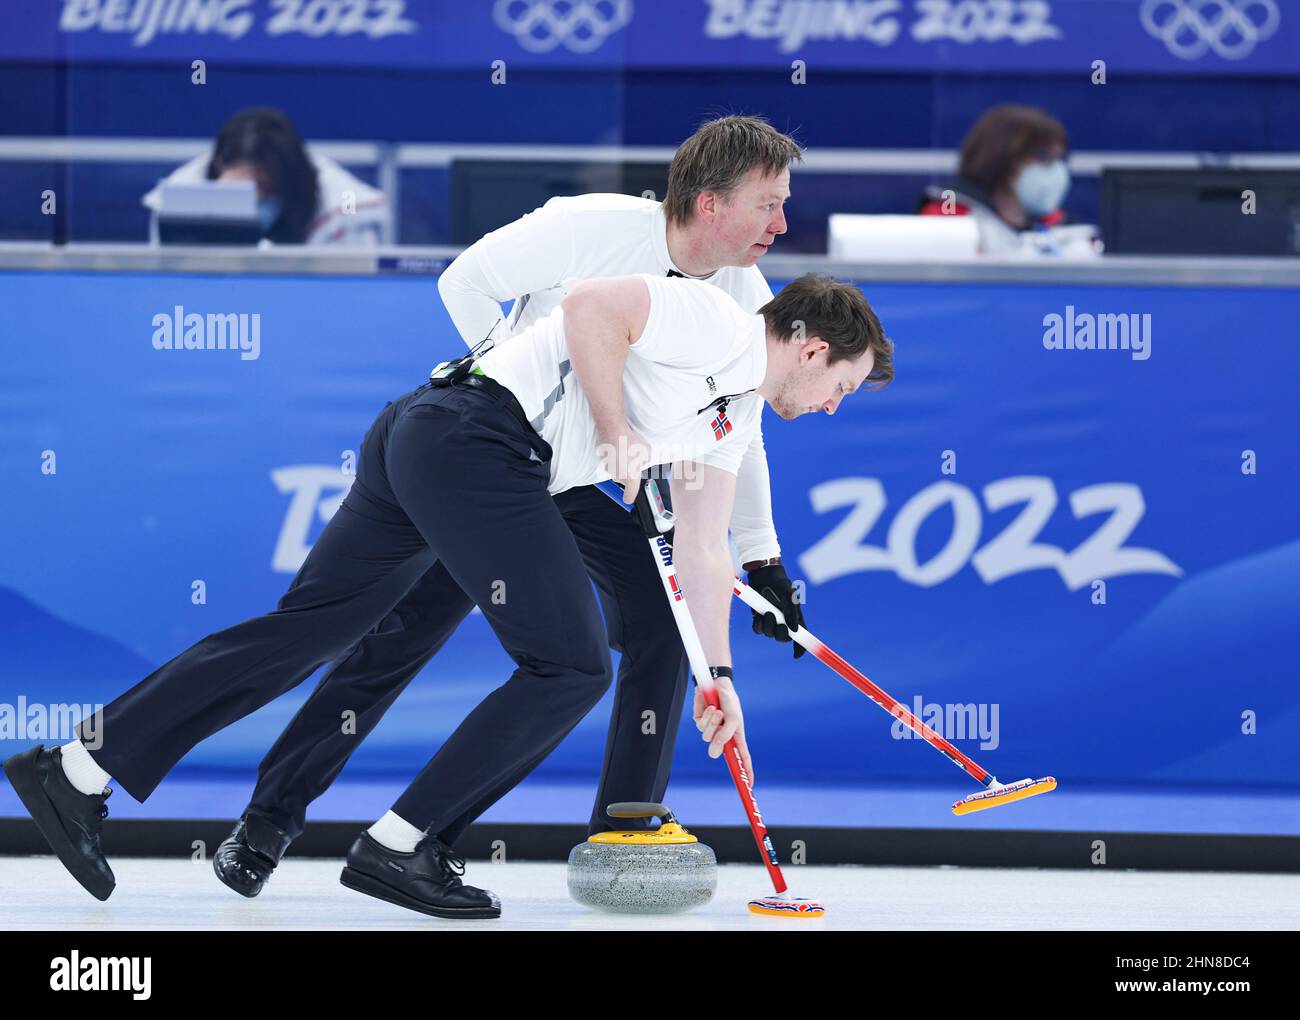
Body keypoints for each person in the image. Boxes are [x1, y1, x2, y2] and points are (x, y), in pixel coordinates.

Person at [4, 271, 893, 919]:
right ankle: (402, 846)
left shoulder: (730, 412)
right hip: (479, 442)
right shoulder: (725, 322)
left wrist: (719, 678)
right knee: (570, 664)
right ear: (812, 348)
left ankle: (75, 772)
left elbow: (703, 545)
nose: (831, 407)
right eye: (840, 388)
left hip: (427, 433)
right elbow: (590, 308)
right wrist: (617, 432)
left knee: (310, 629)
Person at [207, 115, 813, 899]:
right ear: (708, 201)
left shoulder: (741, 289)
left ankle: (626, 822)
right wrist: (508, 391)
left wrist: (760, 554)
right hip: (493, 456)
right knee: (399, 634)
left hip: (581, 478)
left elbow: (741, 429)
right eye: (769, 202)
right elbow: (462, 280)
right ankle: (268, 819)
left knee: (663, 612)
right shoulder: (591, 225)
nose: (783, 222)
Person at [142, 107, 390, 246]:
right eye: (245, 187)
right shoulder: (177, 204)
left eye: (264, 186)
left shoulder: (346, 214)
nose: (256, 198)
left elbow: (349, 299)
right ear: (219, 167)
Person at [917, 104, 1094, 256]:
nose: (1056, 170)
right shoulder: (948, 219)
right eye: (1044, 157)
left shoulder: (1062, 228)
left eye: (1060, 159)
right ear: (1002, 159)